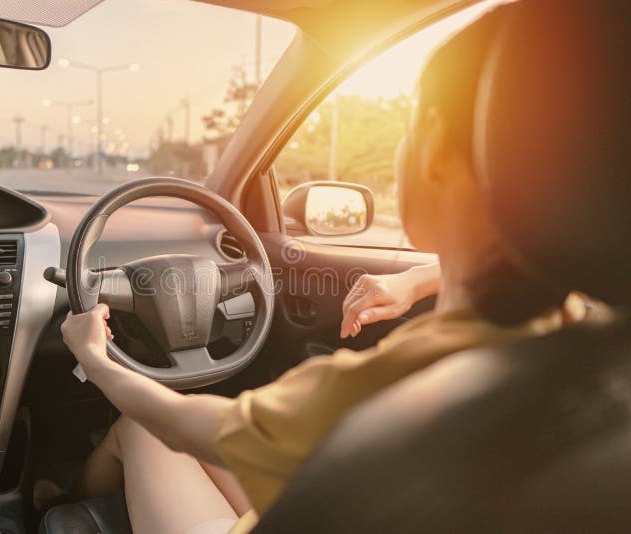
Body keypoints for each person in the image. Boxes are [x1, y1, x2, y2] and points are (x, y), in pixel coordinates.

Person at [35, 4, 574, 533]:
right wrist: (415, 280)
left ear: (432, 151)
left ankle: (57, 508)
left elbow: (183, 425)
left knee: (142, 427)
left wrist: (95, 358)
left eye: (407, 132)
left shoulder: (394, 383)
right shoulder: (584, 332)